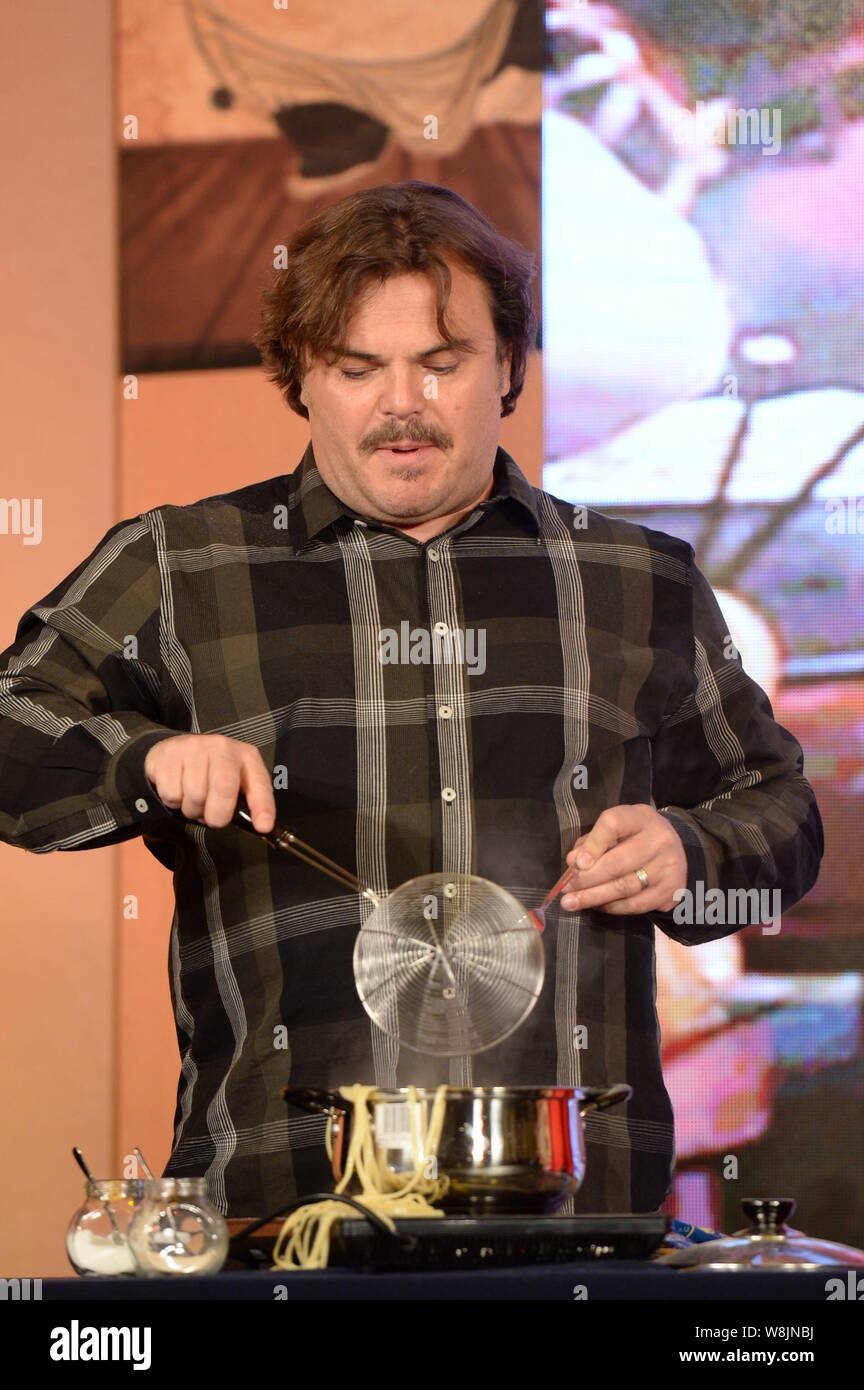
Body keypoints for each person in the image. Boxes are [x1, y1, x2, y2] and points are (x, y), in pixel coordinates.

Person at [0, 182, 823, 1219]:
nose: (402, 403)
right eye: (358, 368)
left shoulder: (638, 579)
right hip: (281, 1215)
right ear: (303, 376)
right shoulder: (179, 568)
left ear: (510, 368)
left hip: (578, 1214)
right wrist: (144, 761)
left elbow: (783, 817)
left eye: (443, 363)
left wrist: (689, 853)